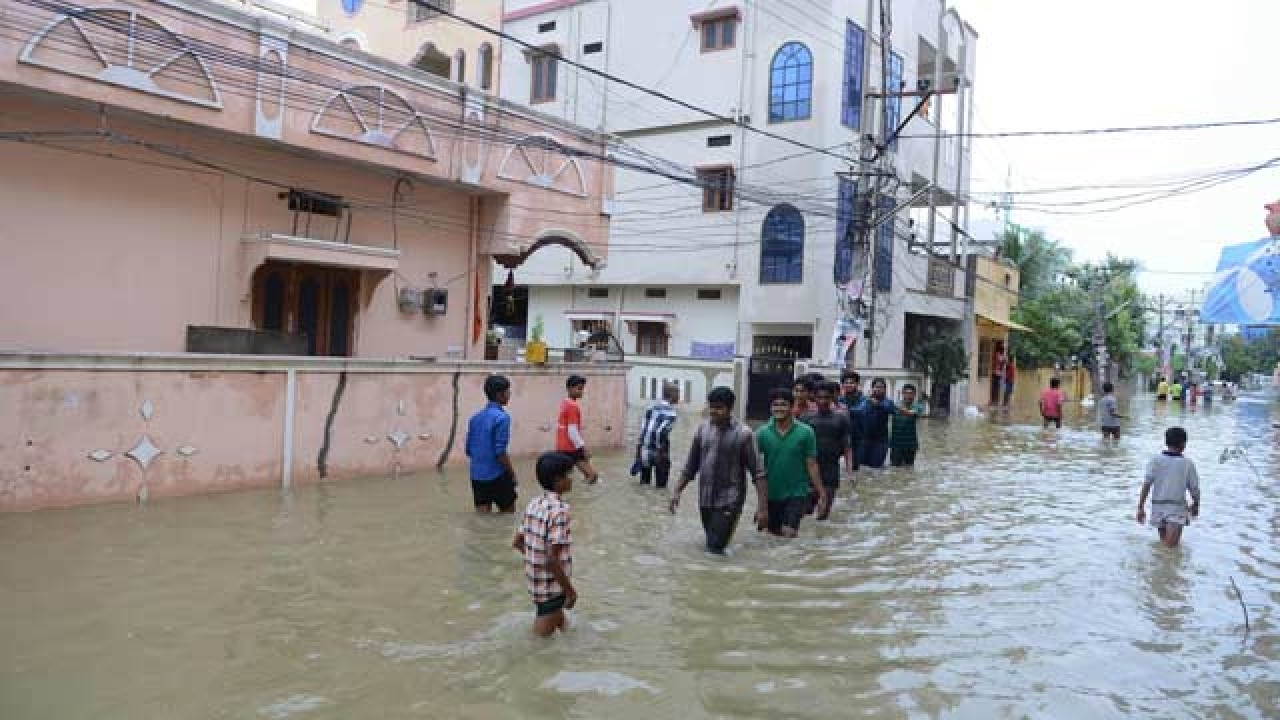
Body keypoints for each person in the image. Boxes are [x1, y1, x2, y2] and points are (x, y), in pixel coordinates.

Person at [669, 387, 767, 554]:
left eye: (719, 408)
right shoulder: (702, 430)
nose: (713, 411)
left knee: (715, 547)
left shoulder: (744, 434)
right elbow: (691, 465)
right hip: (706, 498)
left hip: (730, 500)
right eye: (711, 407)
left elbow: (758, 473)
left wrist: (763, 508)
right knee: (712, 544)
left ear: (730, 409)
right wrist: (677, 491)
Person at [512, 452, 578, 636]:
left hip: (536, 582)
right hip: (552, 587)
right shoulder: (560, 511)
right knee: (538, 646)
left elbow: (518, 542)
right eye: (569, 474)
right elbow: (551, 559)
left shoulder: (534, 503)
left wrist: (534, 561)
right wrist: (570, 591)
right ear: (558, 480)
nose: (572, 479)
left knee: (564, 630)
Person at [757, 388, 826, 538]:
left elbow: (812, 464)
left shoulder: (806, 432)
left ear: (792, 406)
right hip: (772, 493)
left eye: (783, 404)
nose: (779, 408)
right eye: (775, 405)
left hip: (797, 493)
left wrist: (821, 493)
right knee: (772, 536)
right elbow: (756, 468)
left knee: (789, 533)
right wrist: (761, 506)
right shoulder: (762, 433)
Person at [1136, 427, 1201, 548]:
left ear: (1166, 442)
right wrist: (1196, 504)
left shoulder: (1155, 460)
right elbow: (1194, 488)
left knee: (1165, 546)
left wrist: (1140, 507)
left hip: (1158, 507)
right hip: (1176, 508)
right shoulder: (1187, 463)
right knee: (1170, 549)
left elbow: (1146, 484)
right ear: (1183, 444)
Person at [464, 374, 517, 513]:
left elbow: (468, 450)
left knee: (482, 521)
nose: (509, 394)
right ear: (500, 394)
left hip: (477, 476)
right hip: (497, 475)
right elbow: (500, 452)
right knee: (508, 517)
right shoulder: (502, 418)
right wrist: (512, 473)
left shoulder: (474, 418)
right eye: (508, 391)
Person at [800, 381, 852, 520]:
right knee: (805, 512)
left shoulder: (841, 418)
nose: (823, 401)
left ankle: (821, 540)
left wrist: (849, 471)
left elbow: (847, 446)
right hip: (808, 470)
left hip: (831, 470)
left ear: (833, 397)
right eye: (819, 397)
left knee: (823, 514)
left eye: (826, 397)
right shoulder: (806, 417)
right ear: (814, 397)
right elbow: (799, 446)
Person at [555, 375, 599, 484]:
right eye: (579, 389)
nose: (581, 392)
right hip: (571, 449)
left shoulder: (565, 403)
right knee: (592, 476)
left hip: (562, 447)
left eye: (582, 389)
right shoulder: (572, 406)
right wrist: (583, 448)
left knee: (565, 477)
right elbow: (572, 431)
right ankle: (585, 498)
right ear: (569, 388)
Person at [635, 382, 679, 488]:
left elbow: (643, 428)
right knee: (661, 488)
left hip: (644, 450)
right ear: (672, 394)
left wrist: (639, 450)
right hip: (659, 452)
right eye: (678, 393)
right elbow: (661, 432)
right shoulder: (671, 413)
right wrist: (660, 450)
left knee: (644, 484)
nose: (679, 397)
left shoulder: (650, 407)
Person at [857, 378, 896, 469]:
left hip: (880, 442)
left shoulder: (888, 402)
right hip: (864, 440)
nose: (878, 389)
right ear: (872, 388)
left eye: (881, 387)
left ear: (885, 389)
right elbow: (857, 411)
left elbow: (890, 410)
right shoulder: (864, 401)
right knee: (862, 468)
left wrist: (877, 404)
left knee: (876, 468)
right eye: (876, 387)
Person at [889, 383, 925, 467]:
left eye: (911, 393)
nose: (908, 395)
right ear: (902, 393)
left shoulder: (918, 406)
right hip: (896, 444)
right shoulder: (895, 405)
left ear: (914, 395)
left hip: (910, 445)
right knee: (895, 469)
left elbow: (911, 413)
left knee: (909, 469)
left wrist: (898, 407)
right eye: (906, 393)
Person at [840, 370, 866, 475]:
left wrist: (844, 409)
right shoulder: (840, 398)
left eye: (852, 382)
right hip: (842, 436)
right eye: (846, 382)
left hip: (857, 436)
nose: (849, 385)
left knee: (854, 467)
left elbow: (861, 410)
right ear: (843, 384)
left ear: (856, 384)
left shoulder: (863, 399)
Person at [990, 340, 1007, 406]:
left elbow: (1003, 361)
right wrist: (1003, 360)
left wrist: (1003, 360)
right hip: (996, 372)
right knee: (995, 387)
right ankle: (994, 400)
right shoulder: (997, 354)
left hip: (998, 373)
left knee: (997, 387)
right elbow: (1001, 361)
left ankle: (995, 400)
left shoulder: (1000, 354)